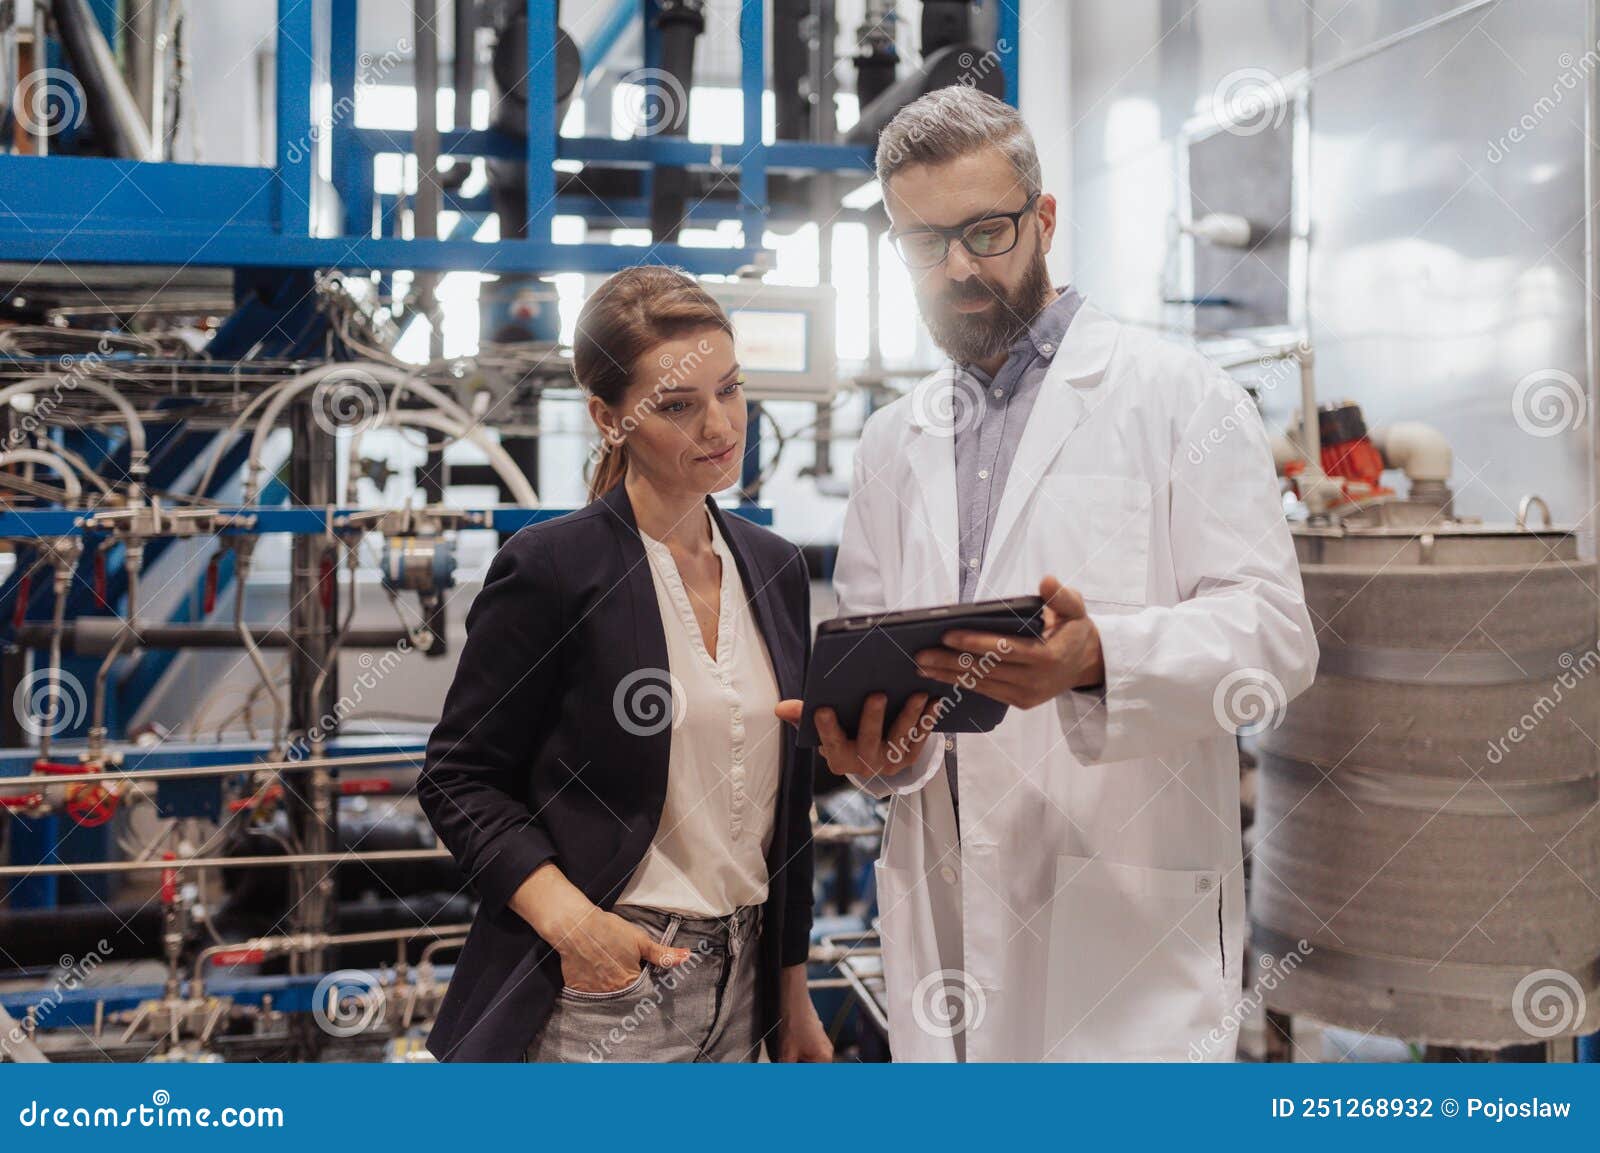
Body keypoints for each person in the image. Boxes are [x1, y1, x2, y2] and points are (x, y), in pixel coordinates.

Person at [777, 86, 1318, 1061]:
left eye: (986, 231)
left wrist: (1099, 655)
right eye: (921, 243)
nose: (956, 268)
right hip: (943, 908)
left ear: (1045, 219)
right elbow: (877, 659)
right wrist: (875, 752)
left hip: (1122, 918)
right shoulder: (890, 443)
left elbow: (1275, 637)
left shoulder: (1178, 398)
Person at [420, 265, 832, 1063]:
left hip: (747, 982)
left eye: (731, 389)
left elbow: (792, 809)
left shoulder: (775, 567)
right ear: (609, 418)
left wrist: (792, 990)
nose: (720, 425)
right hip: (608, 980)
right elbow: (457, 777)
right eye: (678, 405)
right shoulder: (554, 567)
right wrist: (577, 927)